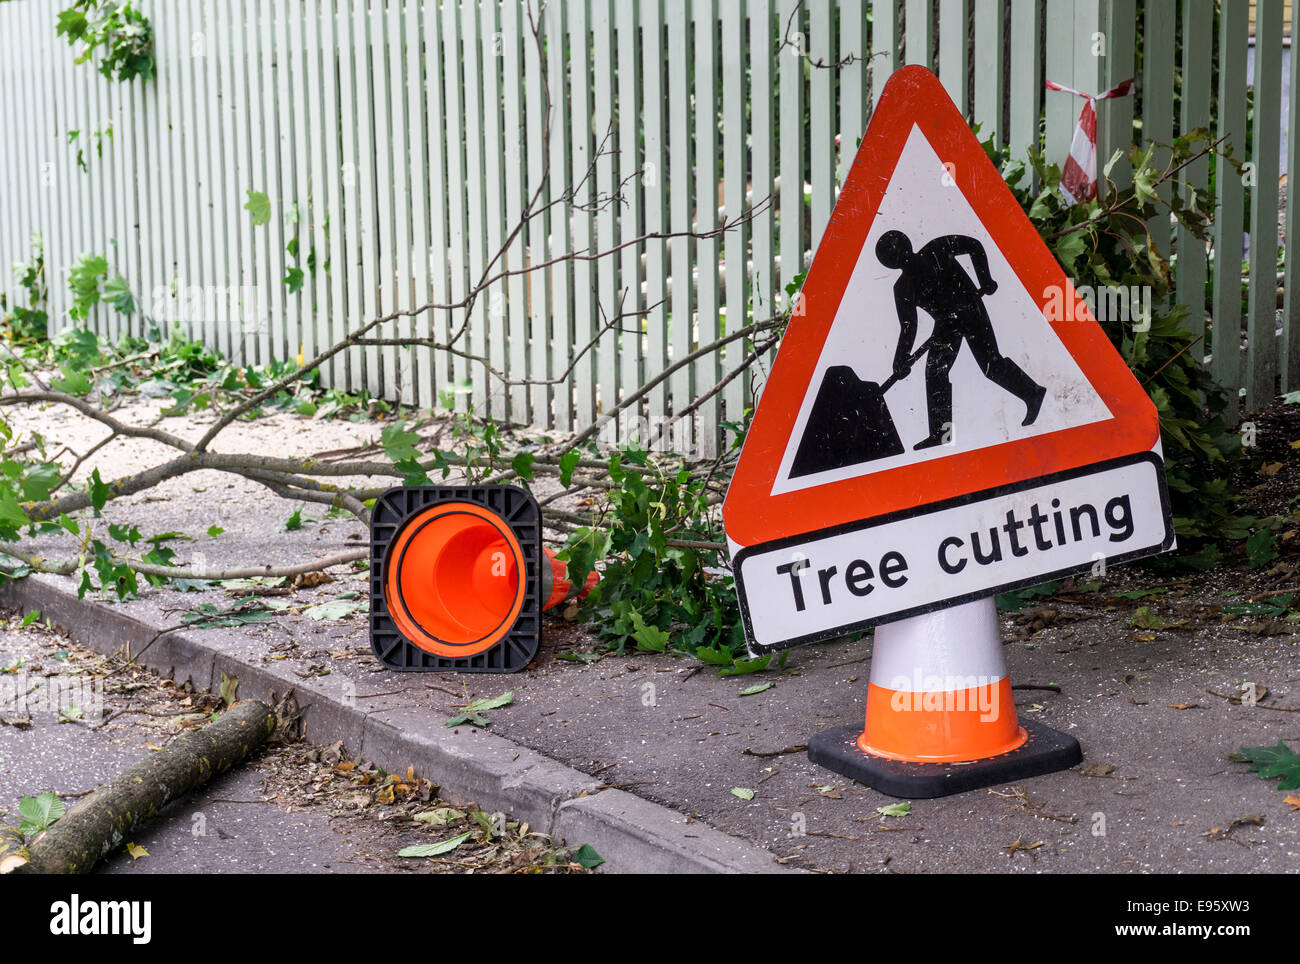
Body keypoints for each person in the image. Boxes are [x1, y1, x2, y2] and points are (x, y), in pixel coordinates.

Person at [876, 230, 1047, 450]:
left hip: (969, 309)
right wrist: (900, 358)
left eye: (899, 251)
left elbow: (974, 245)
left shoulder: (936, 248)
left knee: (990, 365)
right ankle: (941, 433)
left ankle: (1033, 392)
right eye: (895, 256)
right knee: (935, 372)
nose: (902, 258)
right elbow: (909, 326)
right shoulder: (902, 287)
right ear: (889, 263)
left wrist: (984, 279)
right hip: (946, 326)